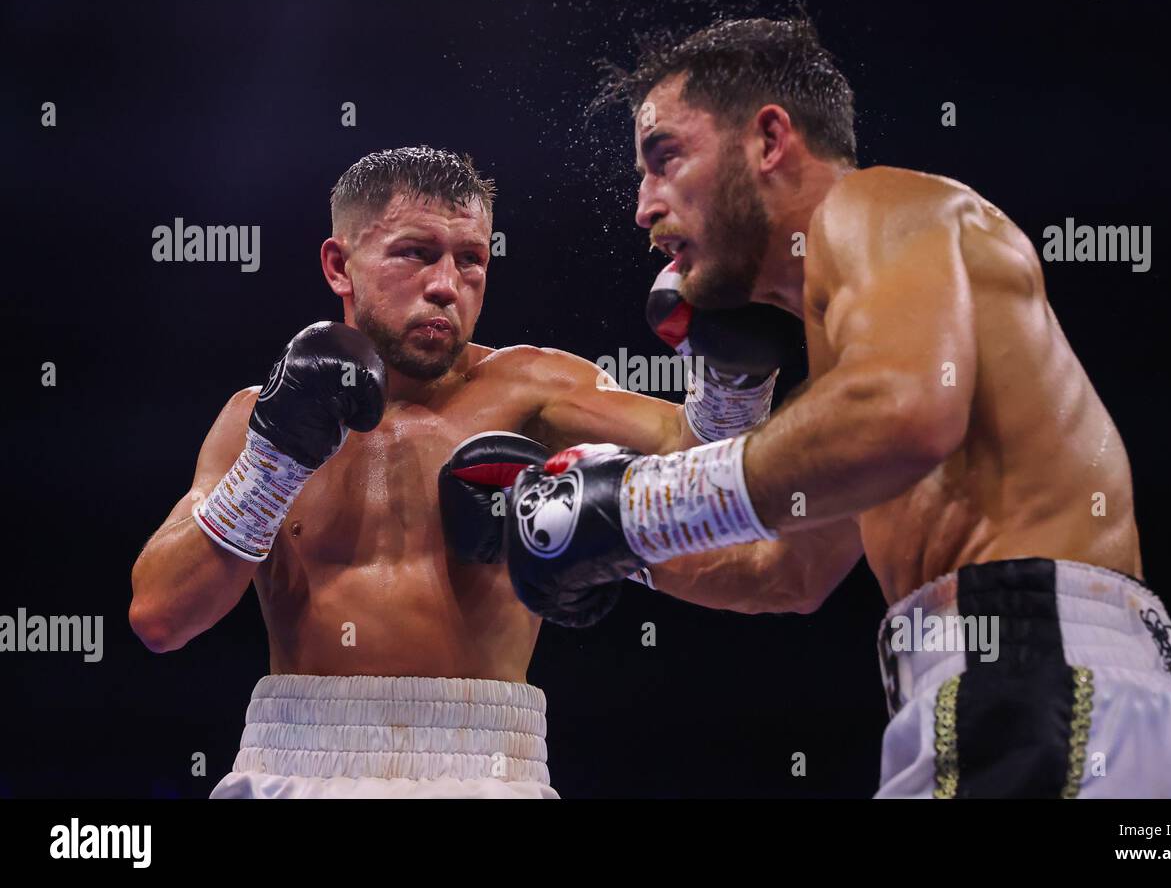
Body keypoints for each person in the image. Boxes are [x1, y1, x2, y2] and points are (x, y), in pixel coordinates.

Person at [504, 19, 1171, 798]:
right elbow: (788, 571)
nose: (643, 208)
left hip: (1033, 684)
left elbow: (904, 412)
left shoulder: (874, 205)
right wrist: (589, 543)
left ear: (769, 139)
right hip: (1070, 693)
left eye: (665, 157)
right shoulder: (864, 365)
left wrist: (634, 504)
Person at [129, 145, 793, 798]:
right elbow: (161, 617)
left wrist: (736, 368)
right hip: (290, 760)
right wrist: (274, 463)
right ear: (339, 265)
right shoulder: (257, 418)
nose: (447, 285)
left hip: (486, 766)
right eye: (416, 253)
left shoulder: (535, 391)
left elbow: (714, 463)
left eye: (471, 260)